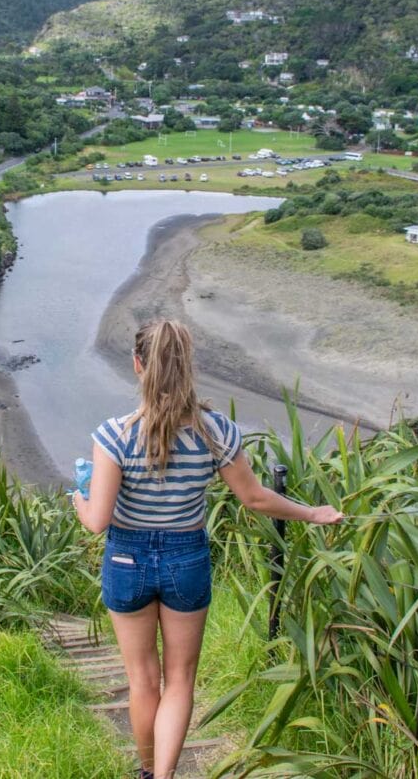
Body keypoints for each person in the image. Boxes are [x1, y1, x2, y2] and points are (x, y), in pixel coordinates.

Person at [72, 319, 343, 779]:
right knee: (180, 681)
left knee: (142, 680)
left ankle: (145, 770)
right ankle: (165, 776)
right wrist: (313, 512)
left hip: (125, 561)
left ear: (139, 366)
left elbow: (97, 521)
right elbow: (255, 498)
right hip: (186, 560)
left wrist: (78, 498)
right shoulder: (217, 431)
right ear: (187, 368)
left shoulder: (113, 435)